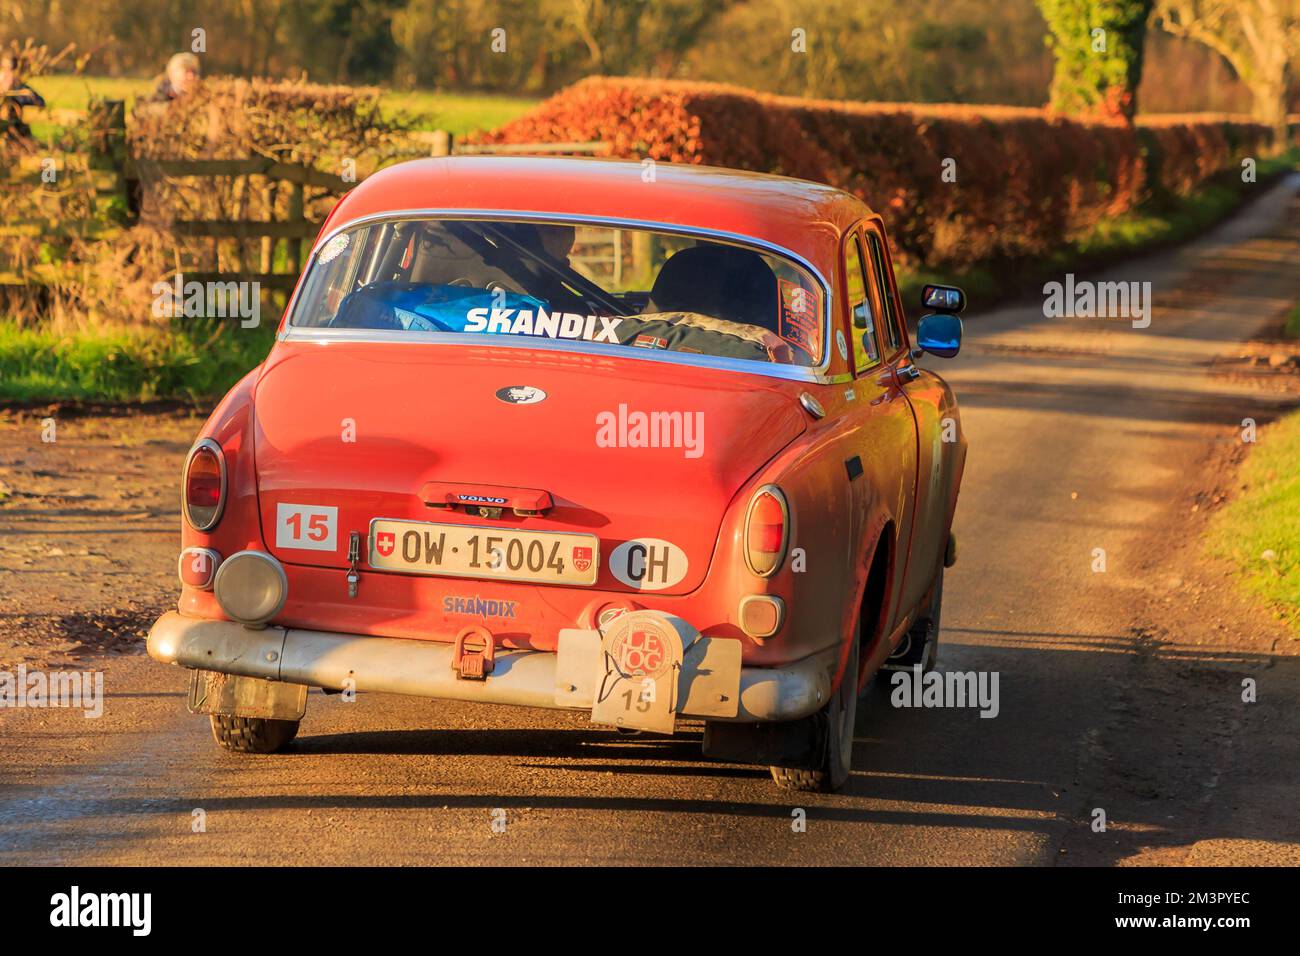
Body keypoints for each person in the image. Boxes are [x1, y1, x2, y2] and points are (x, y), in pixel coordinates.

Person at [0, 51, 46, 151]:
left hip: (15, 129)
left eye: (9, 68)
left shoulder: (20, 87)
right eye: (3, 67)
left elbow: (40, 102)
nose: (6, 71)